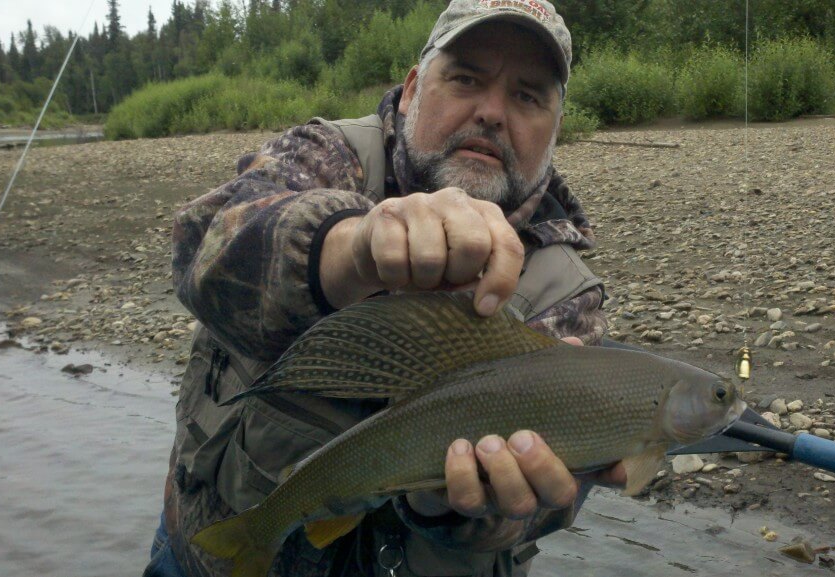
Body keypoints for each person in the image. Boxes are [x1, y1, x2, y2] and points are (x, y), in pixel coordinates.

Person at [146, 1, 624, 576]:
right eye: (466, 78)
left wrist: (467, 507)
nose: (493, 113)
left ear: (556, 129)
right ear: (413, 89)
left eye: (528, 96)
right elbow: (201, 246)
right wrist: (349, 249)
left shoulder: (567, 292)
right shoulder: (324, 156)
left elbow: (540, 510)